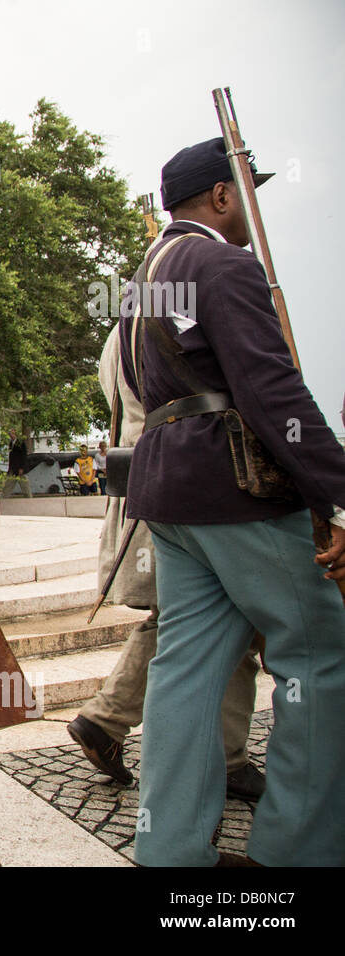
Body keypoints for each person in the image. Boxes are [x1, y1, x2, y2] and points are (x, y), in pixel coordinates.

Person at [121, 138, 345, 866]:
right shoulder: (223, 263)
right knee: (319, 657)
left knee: (184, 668)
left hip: (169, 491)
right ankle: (298, 849)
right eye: (245, 191)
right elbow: (271, 391)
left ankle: (173, 849)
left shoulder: (146, 276)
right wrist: (337, 495)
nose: (251, 207)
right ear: (220, 196)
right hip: (236, 489)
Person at [67, 326, 264, 800]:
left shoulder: (121, 331)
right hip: (182, 478)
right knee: (211, 610)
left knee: (196, 612)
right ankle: (220, 756)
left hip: (154, 477)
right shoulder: (171, 313)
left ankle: (112, 722)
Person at [3, 429, 32, 498]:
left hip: (19, 468)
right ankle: (4, 497)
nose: (11, 436)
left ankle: (29, 497)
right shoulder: (11, 443)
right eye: (10, 434)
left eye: (12, 434)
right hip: (13, 468)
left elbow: (24, 456)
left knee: (25, 485)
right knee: (8, 484)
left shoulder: (21, 443)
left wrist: (22, 468)